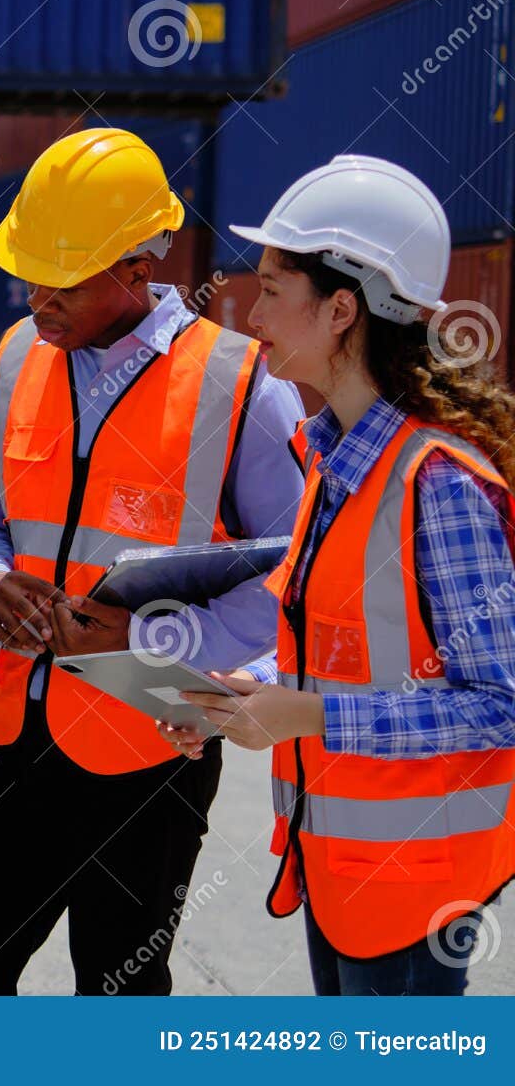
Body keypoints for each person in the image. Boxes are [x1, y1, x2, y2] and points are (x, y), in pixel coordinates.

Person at [0, 128, 307, 996]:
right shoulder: (19, 356)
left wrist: (163, 634)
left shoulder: (239, 386)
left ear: (137, 269)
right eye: (28, 270)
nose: (33, 296)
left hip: (151, 749)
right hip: (16, 734)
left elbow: (291, 575)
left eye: (60, 277)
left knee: (120, 995)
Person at [166, 155, 515, 996]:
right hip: (345, 868)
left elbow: (499, 703)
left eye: (272, 291)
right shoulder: (336, 460)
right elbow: (347, 653)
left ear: (342, 309)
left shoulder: (439, 483)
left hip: (421, 887)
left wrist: (306, 715)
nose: (249, 317)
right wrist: (240, 696)